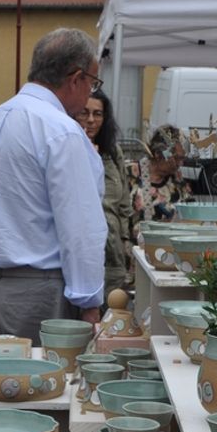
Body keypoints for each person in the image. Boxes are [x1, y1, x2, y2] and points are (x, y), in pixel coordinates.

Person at [0, 27, 108, 343]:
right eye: (93, 83)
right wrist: (89, 301)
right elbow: (80, 226)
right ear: (75, 78)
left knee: (2, 384)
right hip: (44, 288)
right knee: (46, 386)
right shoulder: (61, 131)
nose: (90, 94)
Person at [76, 88, 133, 296]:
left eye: (97, 114)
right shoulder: (68, 147)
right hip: (83, 247)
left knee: (112, 310)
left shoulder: (112, 150)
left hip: (113, 248)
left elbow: (124, 202)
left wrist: (126, 241)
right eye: (84, 112)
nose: (91, 120)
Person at [132, 123, 194, 237]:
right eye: (176, 158)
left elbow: (191, 213)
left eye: (182, 158)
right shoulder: (130, 173)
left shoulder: (177, 179)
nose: (180, 164)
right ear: (158, 154)